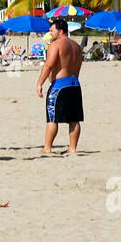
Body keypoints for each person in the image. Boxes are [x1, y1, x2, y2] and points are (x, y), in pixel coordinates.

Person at [38, 17, 83, 154]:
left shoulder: (56, 45)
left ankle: (47, 148)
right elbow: (78, 66)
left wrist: (40, 83)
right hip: (75, 84)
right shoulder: (76, 46)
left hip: (59, 86)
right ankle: (73, 148)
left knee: (52, 118)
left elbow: (48, 65)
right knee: (74, 119)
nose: (50, 33)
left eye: (52, 30)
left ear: (61, 31)